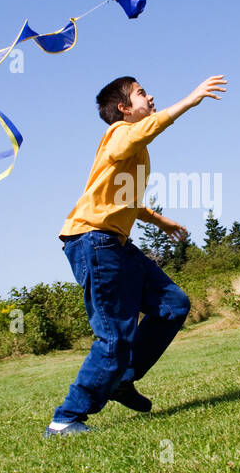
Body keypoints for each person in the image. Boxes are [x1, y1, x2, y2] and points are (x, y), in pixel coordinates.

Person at [46, 73, 226, 436]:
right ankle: (65, 419)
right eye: (142, 93)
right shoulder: (118, 135)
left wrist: (159, 221)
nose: (151, 96)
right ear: (124, 109)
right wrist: (190, 100)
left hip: (115, 244)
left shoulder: (135, 147)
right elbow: (147, 129)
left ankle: (120, 381)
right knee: (114, 337)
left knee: (173, 304)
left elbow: (126, 196)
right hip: (93, 241)